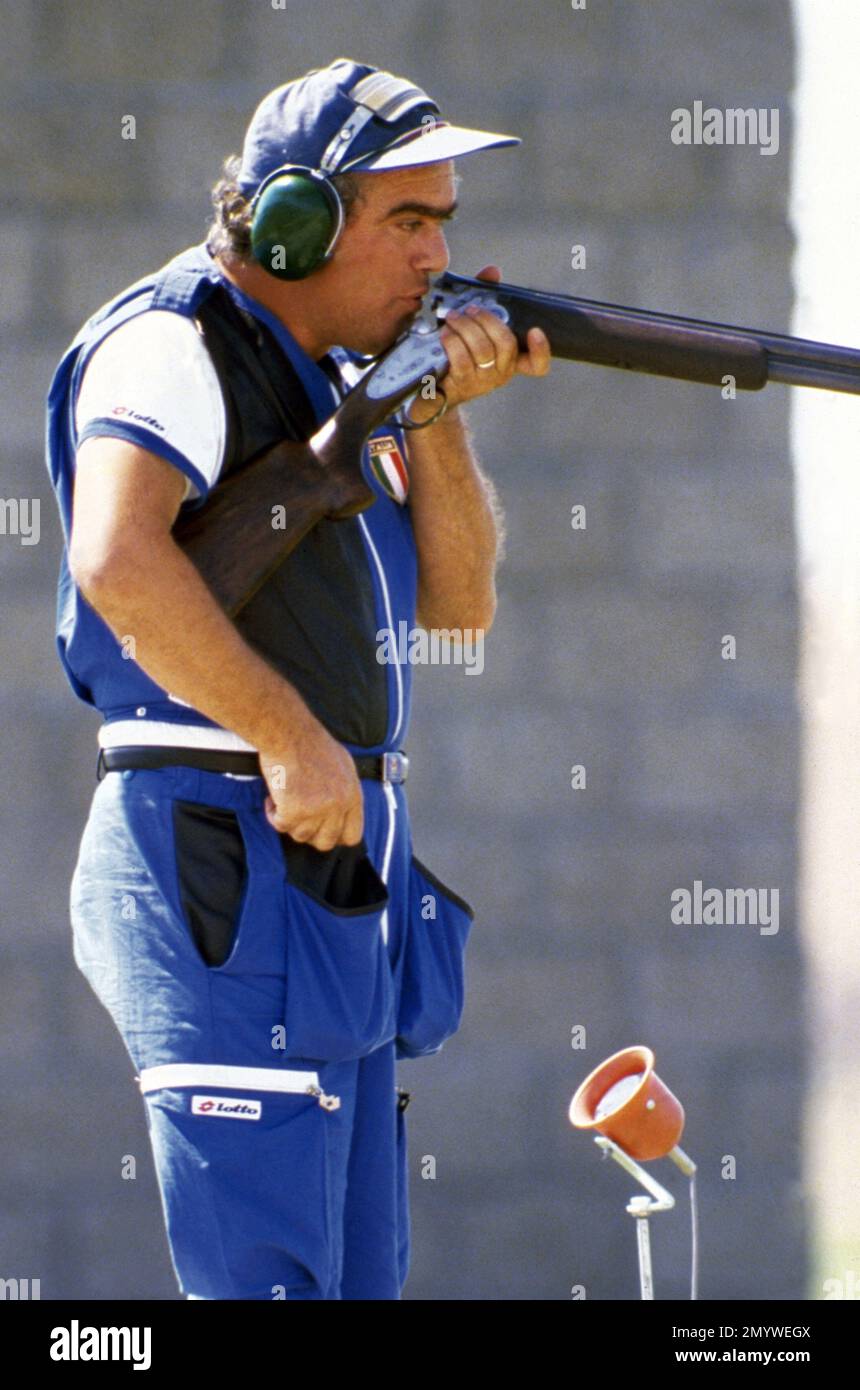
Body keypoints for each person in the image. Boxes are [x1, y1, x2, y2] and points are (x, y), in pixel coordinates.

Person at [45, 57, 551, 1301]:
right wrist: (285, 735)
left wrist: (428, 405)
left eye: (443, 222)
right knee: (267, 1283)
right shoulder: (174, 342)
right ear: (293, 222)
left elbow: (462, 602)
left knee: (351, 1282)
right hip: (232, 852)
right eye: (408, 221)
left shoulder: (342, 381)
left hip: (323, 869)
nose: (437, 256)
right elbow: (116, 560)